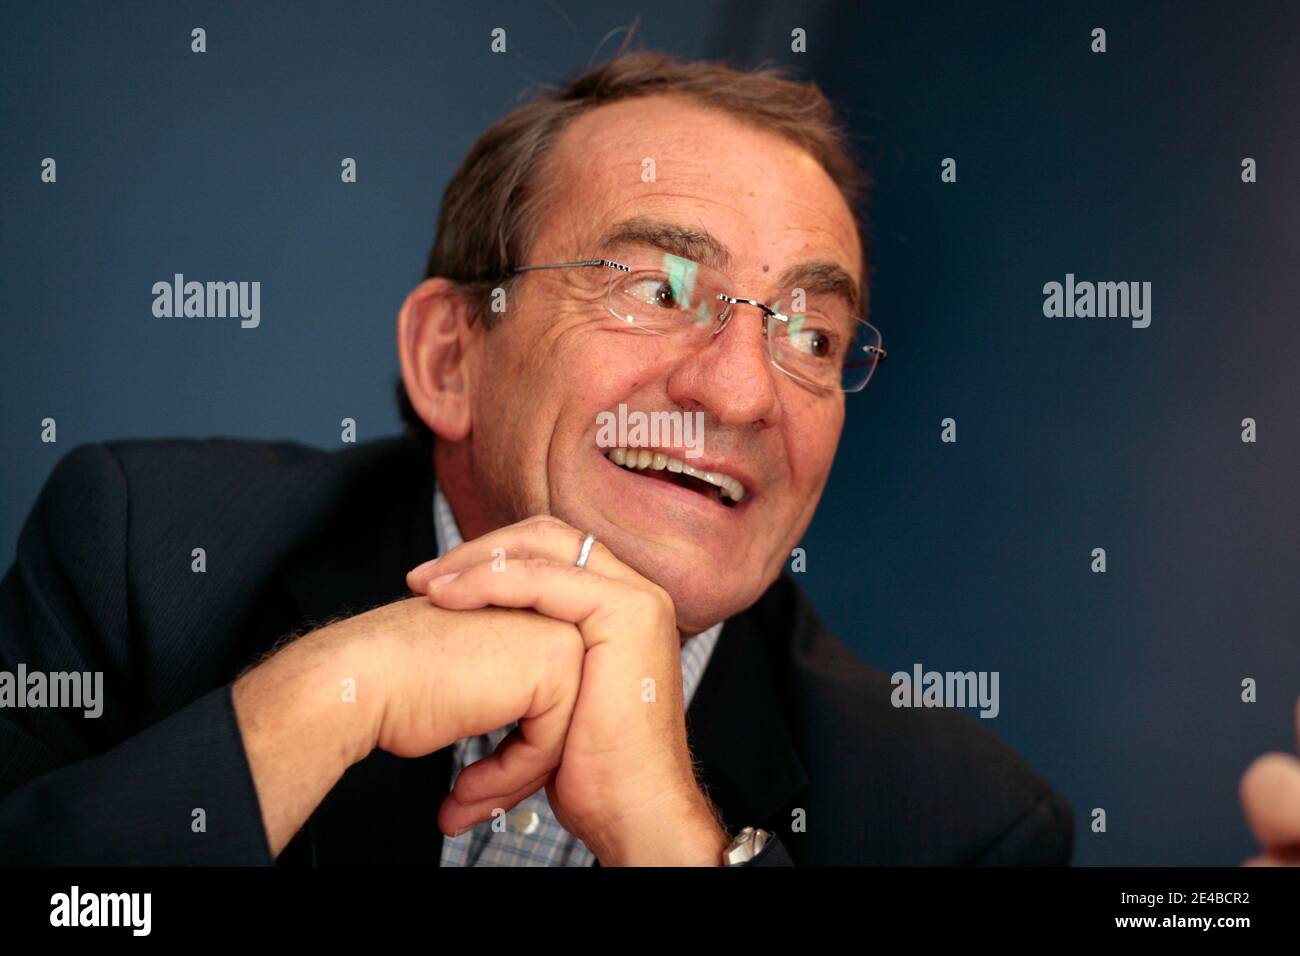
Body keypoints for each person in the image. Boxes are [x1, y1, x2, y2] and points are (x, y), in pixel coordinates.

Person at [6, 50, 1285, 868]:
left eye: (812, 331)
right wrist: (303, 714)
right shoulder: (143, 546)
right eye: (660, 286)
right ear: (453, 353)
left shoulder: (955, 821)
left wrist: (674, 853)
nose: (738, 387)